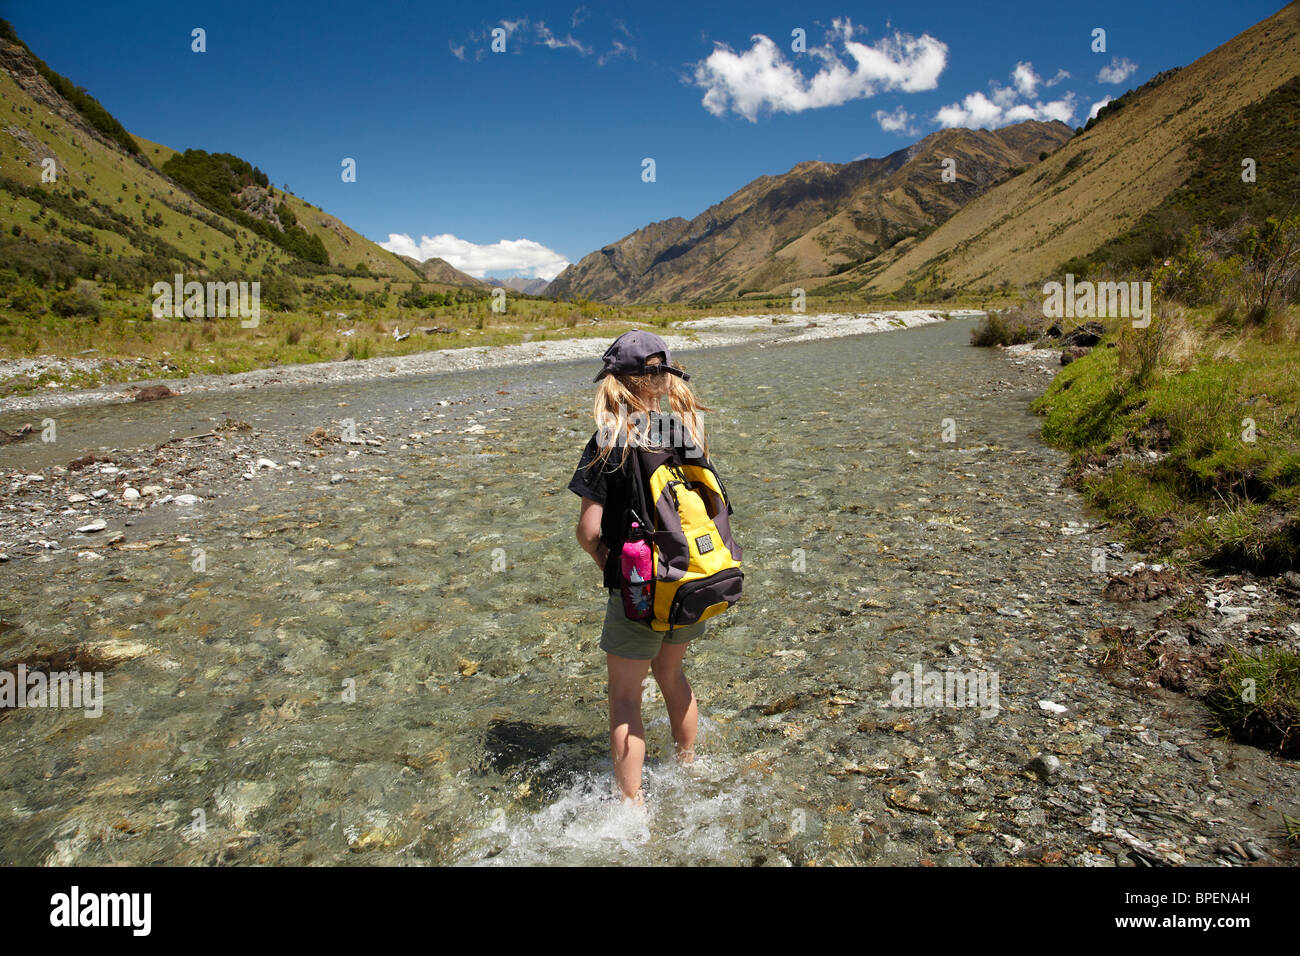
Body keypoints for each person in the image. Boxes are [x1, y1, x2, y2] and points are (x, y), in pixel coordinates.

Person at [568, 330, 714, 804]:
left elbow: (589, 532)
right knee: (672, 676)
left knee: (626, 699)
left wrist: (606, 565)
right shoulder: (684, 431)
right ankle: (688, 767)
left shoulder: (608, 440)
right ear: (663, 377)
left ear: (615, 381)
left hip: (640, 588)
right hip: (688, 578)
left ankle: (632, 813)